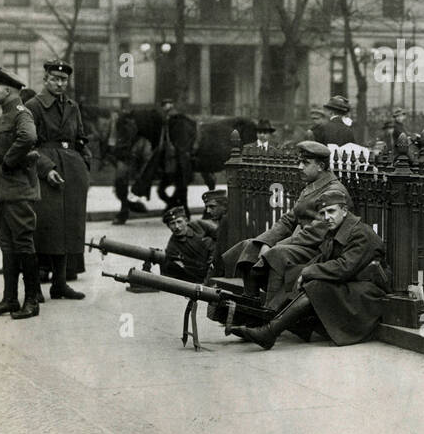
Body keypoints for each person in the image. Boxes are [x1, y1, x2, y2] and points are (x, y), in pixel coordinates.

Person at [231, 190, 389, 350]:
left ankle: (269, 332)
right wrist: (302, 272)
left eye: (332, 211)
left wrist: (308, 272)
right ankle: (267, 318)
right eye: (323, 213)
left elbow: (344, 267)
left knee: (316, 284)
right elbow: (324, 259)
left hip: (367, 294)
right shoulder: (337, 230)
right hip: (351, 286)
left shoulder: (360, 233)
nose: (327, 217)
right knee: (294, 273)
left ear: (345, 210)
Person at [221, 140, 350, 298]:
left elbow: (316, 233)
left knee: (277, 254)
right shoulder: (313, 184)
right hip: (302, 244)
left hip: (321, 249)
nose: (299, 167)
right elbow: (288, 220)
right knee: (252, 245)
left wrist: (275, 245)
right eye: (299, 162)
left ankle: (272, 310)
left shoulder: (333, 191)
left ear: (321, 166)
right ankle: (250, 299)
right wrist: (266, 241)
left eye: (305, 163)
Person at [0, 68, 43, 319]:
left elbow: (29, 137)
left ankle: (31, 300)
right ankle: (9, 299)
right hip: (2, 187)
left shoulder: (20, 113)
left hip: (16, 187)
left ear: (8, 90)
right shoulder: (6, 114)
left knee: (23, 242)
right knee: (6, 243)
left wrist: (9, 161)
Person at [23, 60, 88, 300]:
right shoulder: (33, 106)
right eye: (55, 79)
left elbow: (81, 138)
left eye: (64, 80)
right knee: (44, 228)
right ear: (45, 80)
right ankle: (36, 287)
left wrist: (84, 165)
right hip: (45, 170)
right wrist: (46, 168)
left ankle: (60, 283)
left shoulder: (73, 106)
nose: (60, 84)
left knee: (68, 228)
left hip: (72, 170)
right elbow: (27, 144)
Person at [160, 206, 222, 283]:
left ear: (186, 221)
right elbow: (187, 272)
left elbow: (220, 237)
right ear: (168, 226)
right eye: (172, 223)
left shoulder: (199, 226)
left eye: (179, 222)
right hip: (204, 277)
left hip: (219, 262)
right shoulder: (172, 249)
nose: (177, 227)